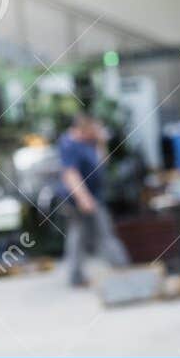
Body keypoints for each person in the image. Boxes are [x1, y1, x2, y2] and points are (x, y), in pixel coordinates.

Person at [57, 114, 129, 287]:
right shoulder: (69, 144)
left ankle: (77, 276)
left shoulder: (88, 142)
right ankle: (123, 269)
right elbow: (70, 174)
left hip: (93, 196)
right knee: (99, 233)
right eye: (95, 129)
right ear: (84, 128)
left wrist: (101, 141)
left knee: (81, 235)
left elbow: (102, 162)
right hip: (80, 198)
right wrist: (84, 199)